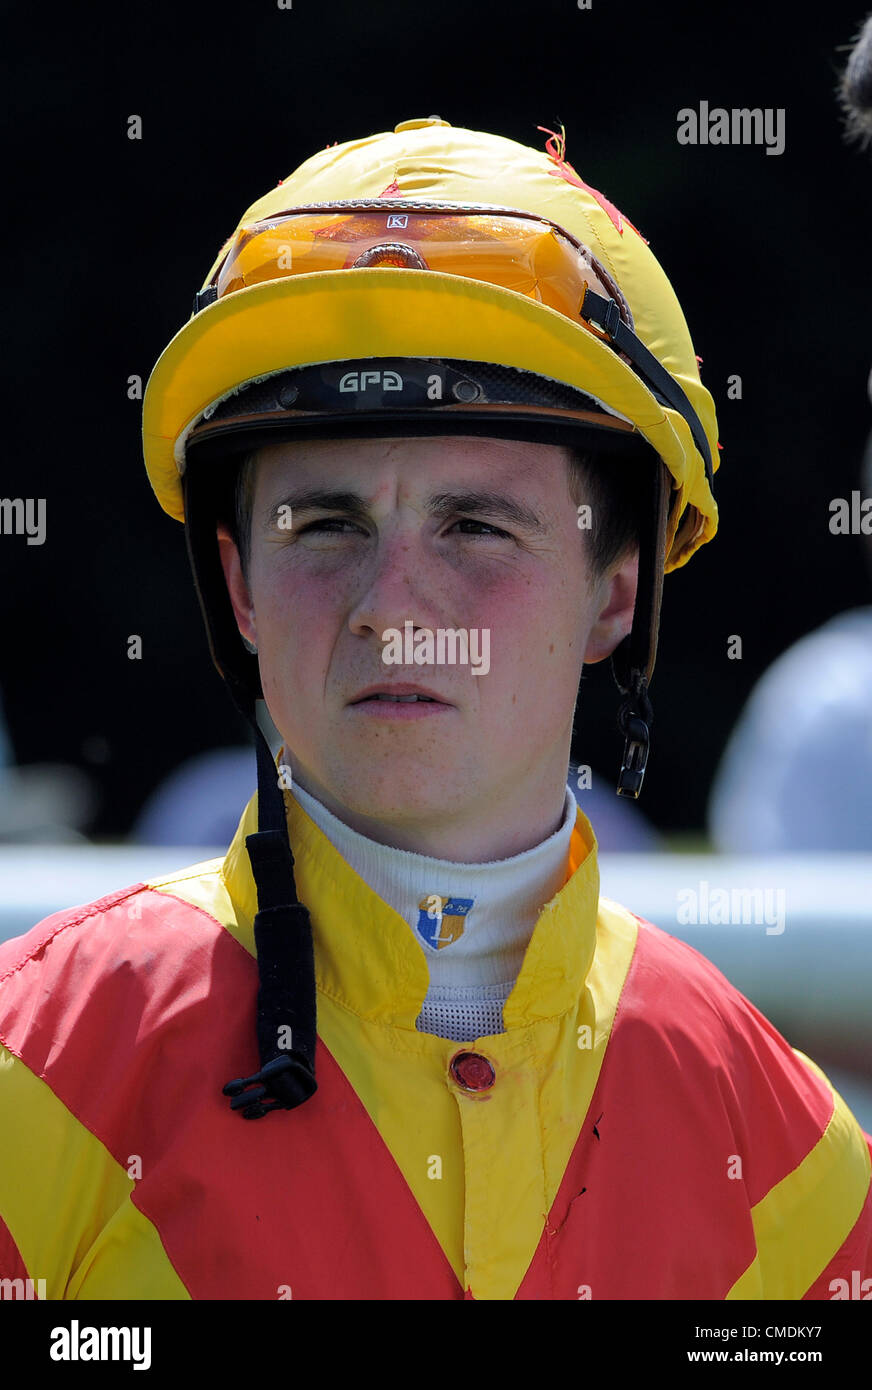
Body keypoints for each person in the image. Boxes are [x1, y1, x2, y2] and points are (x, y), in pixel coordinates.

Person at [0, 119, 869, 1301]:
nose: (390, 607)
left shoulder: (781, 1149)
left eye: (474, 526)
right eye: (325, 525)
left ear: (615, 590)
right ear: (240, 585)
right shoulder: (35, 1073)